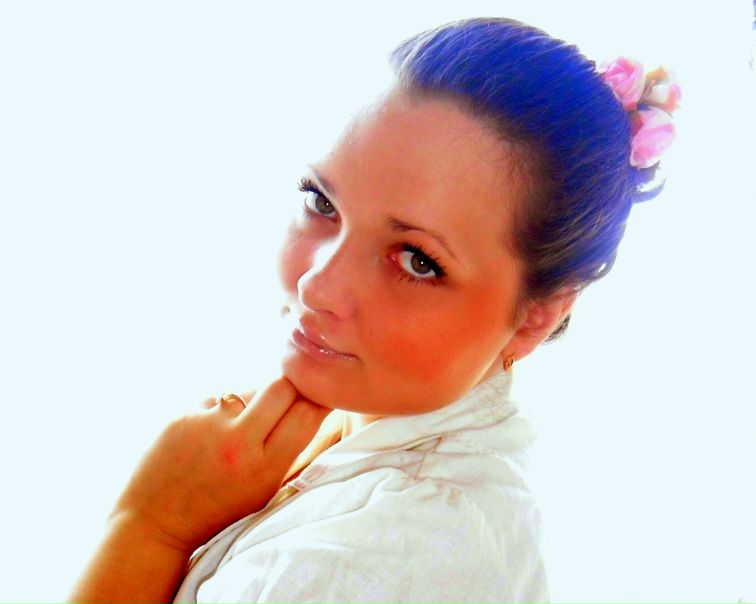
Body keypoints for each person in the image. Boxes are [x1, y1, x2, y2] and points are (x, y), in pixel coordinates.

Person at [66, 16, 680, 604]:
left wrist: (151, 524)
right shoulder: (373, 431)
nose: (318, 285)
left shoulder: (367, 561)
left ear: (536, 315)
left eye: (417, 260)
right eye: (321, 202)